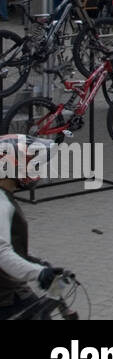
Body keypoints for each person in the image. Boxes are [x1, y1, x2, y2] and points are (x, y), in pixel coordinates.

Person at [0, 135, 68, 317]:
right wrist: (38, 273)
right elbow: (1, 252)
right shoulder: (1, 203)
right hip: (7, 296)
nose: (33, 168)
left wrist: (37, 263)